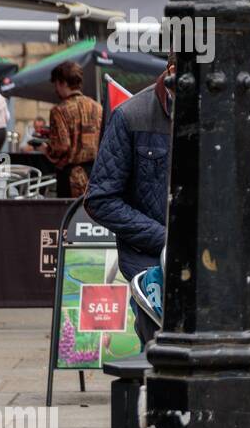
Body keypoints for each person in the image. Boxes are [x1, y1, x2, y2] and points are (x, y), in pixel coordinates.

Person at [86, 56, 174, 342]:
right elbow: (100, 199)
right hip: (148, 261)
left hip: (208, 260)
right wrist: (164, 238)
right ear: (173, 71)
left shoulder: (221, 115)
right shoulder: (130, 115)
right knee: (157, 352)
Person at [42, 61, 103, 198]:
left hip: (71, 179)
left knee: (69, 217)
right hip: (95, 176)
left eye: (56, 84)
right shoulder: (98, 107)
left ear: (63, 82)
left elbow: (62, 146)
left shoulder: (59, 110)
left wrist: (45, 149)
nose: (55, 89)